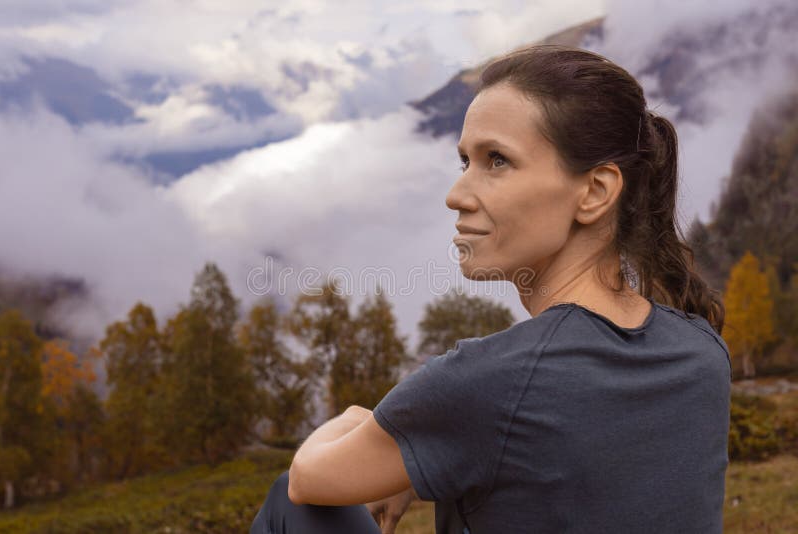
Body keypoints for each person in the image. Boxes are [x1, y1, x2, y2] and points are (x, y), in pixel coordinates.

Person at [249, 44, 731, 534]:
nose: (456, 195)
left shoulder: (492, 382)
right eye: (465, 163)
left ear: (595, 192)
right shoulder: (701, 350)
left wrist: (360, 421)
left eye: (496, 161)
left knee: (290, 503)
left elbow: (309, 480)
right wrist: (425, 456)